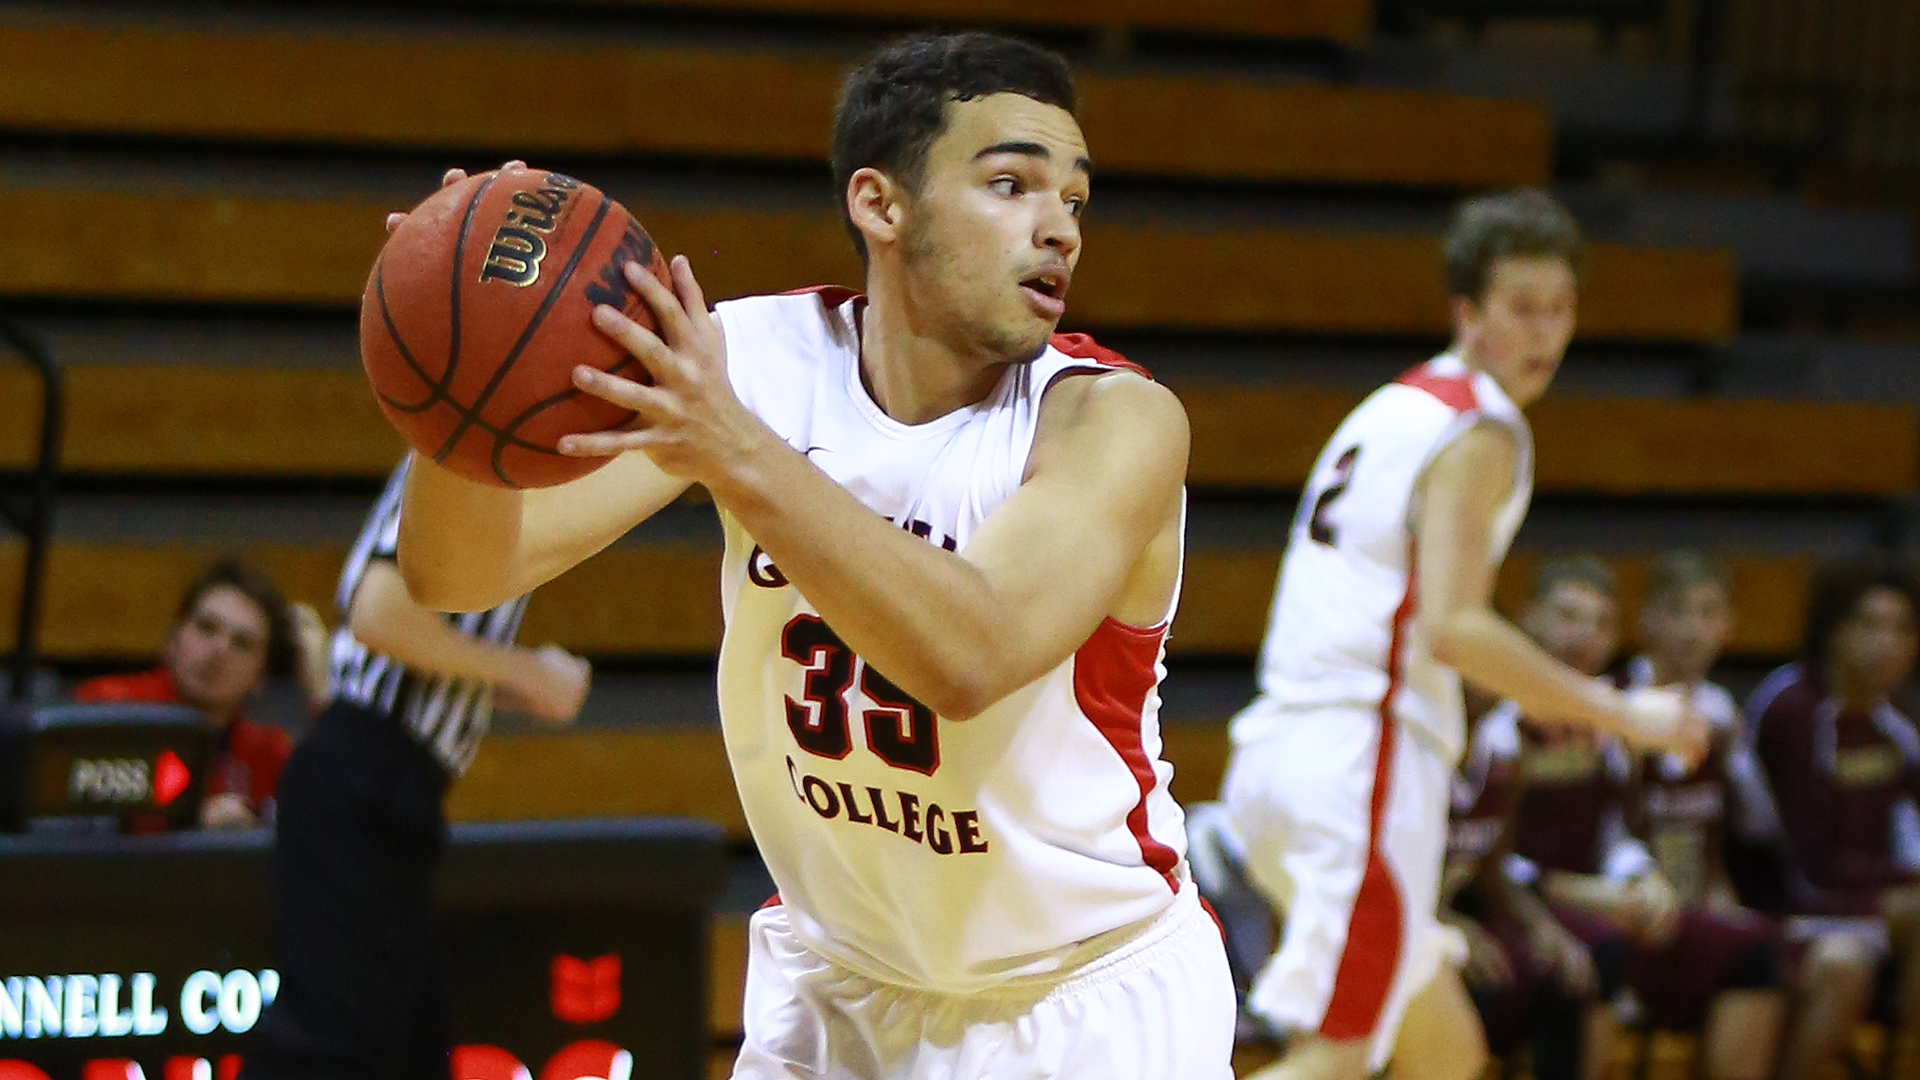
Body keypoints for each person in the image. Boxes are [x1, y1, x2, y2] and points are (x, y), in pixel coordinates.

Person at [391, 31, 1233, 1080]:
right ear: (880, 205)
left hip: (1078, 1002)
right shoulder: (754, 363)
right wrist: (462, 375)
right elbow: (458, 576)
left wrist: (734, 450)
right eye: (1012, 183)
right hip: (839, 985)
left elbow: (972, 653)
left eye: (1075, 198)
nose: (1057, 226)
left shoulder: (1115, 422)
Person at [1215, 190, 1708, 1080]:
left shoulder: (1393, 406)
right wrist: (1624, 713)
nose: (1544, 332)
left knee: (1445, 1053)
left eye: (1560, 309)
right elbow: (1455, 628)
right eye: (1522, 307)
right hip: (1361, 762)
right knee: (1337, 1055)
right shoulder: (1483, 430)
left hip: (1286, 757)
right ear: (1469, 313)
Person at [239, 459, 591, 1080]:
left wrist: (523, 686)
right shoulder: (471, 440)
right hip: (362, 773)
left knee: (410, 1050)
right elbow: (378, 615)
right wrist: (528, 672)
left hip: (390, 778)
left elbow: (424, 656)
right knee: (330, 1048)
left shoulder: (507, 459)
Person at [1494, 556, 1782, 1080]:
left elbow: (1617, 831)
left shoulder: (1607, 723)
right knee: (1601, 954)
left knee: (1753, 949)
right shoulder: (1499, 724)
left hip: (1600, 905)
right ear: (1528, 619)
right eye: (1567, 617)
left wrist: (1640, 876)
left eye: (1601, 623)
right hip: (1528, 910)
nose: (1584, 637)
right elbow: (1487, 857)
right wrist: (1576, 893)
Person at [1732, 561, 1920, 1080]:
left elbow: (1909, 835)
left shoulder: (1895, 724)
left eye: (1903, 628)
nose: (1888, 643)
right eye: (1870, 625)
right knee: (1844, 966)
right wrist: (1896, 894)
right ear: (1834, 631)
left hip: (1860, 909)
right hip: (1782, 910)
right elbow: (1806, 870)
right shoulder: (1792, 710)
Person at [73, 557, 328, 829]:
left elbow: (336, 815)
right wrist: (194, 826)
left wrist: (322, 692)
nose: (220, 650)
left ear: (259, 676)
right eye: (206, 627)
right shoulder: (109, 708)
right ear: (173, 638)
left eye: (242, 644)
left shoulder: (265, 752)